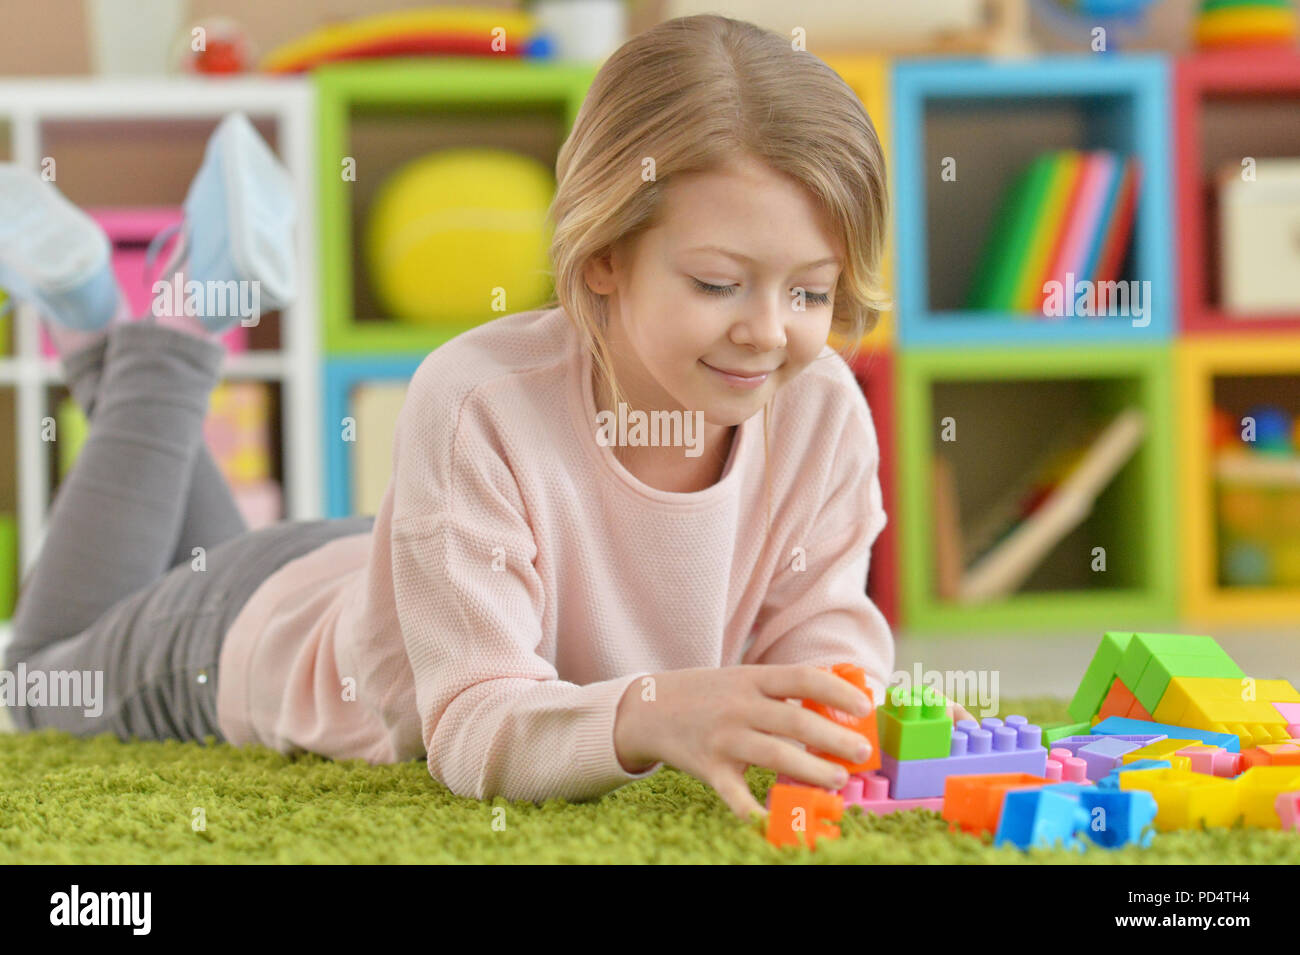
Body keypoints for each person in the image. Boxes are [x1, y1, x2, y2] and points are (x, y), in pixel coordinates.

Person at [3, 15, 940, 822]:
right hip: (239, 639)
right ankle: (155, 317)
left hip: (386, 571)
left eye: (811, 293)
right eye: (717, 283)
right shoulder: (479, 395)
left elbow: (822, 628)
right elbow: (471, 723)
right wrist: (654, 709)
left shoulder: (820, 411)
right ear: (604, 253)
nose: (768, 333)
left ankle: (105, 312)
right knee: (34, 677)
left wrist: (841, 715)